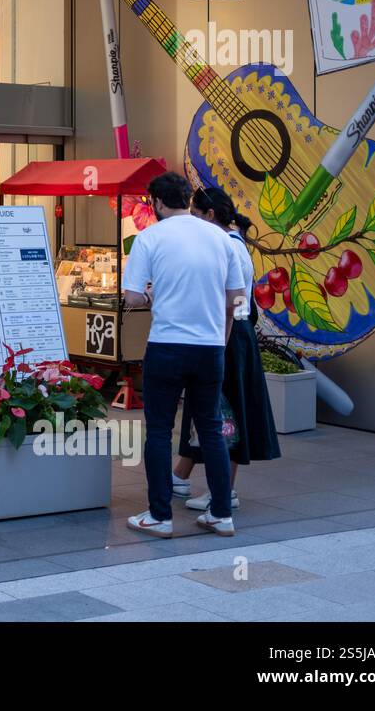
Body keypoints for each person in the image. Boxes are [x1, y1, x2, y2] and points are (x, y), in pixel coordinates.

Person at [121, 172, 245, 538]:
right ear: (188, 199)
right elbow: (236, 297)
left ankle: (160, 516)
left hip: (167, 345)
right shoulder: (220, 237)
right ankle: (221, 513)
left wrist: (151, 296)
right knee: (210, 428)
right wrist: (220, 338)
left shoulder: (150, 238)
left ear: (158, 203)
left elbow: (131, 297)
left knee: (159, 429)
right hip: (210, 349)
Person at [173, 187, 282, 507]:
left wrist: (218, 341)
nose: (191, 219)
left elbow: (232, 302)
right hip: (226, 333)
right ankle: (182, 476)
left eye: (195, 213)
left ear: (210, 215)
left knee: (227, 408)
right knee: (209, 407)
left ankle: (225, 490)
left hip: (228, 335)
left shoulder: (229, 248)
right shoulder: (229, 243)